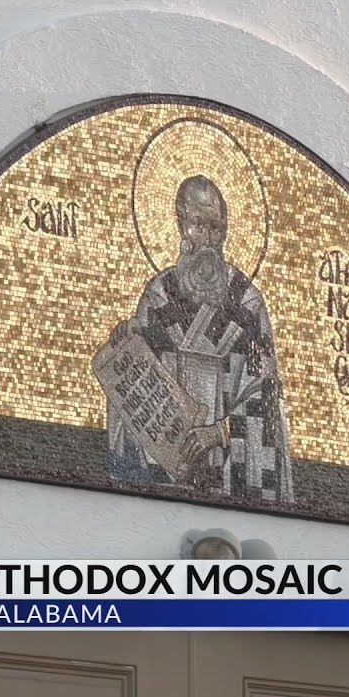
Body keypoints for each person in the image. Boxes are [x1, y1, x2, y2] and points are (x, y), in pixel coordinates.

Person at [97, 175, 295, 503]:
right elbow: (134, 390)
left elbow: (265, 395)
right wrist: (126, 347)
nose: (207, 238)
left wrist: (220, 432)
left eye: (216, 227)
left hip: (228, 475)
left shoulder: (246, 303)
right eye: (197, 224)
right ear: (180, 225)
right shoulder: (158, 298)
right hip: (162, 476)